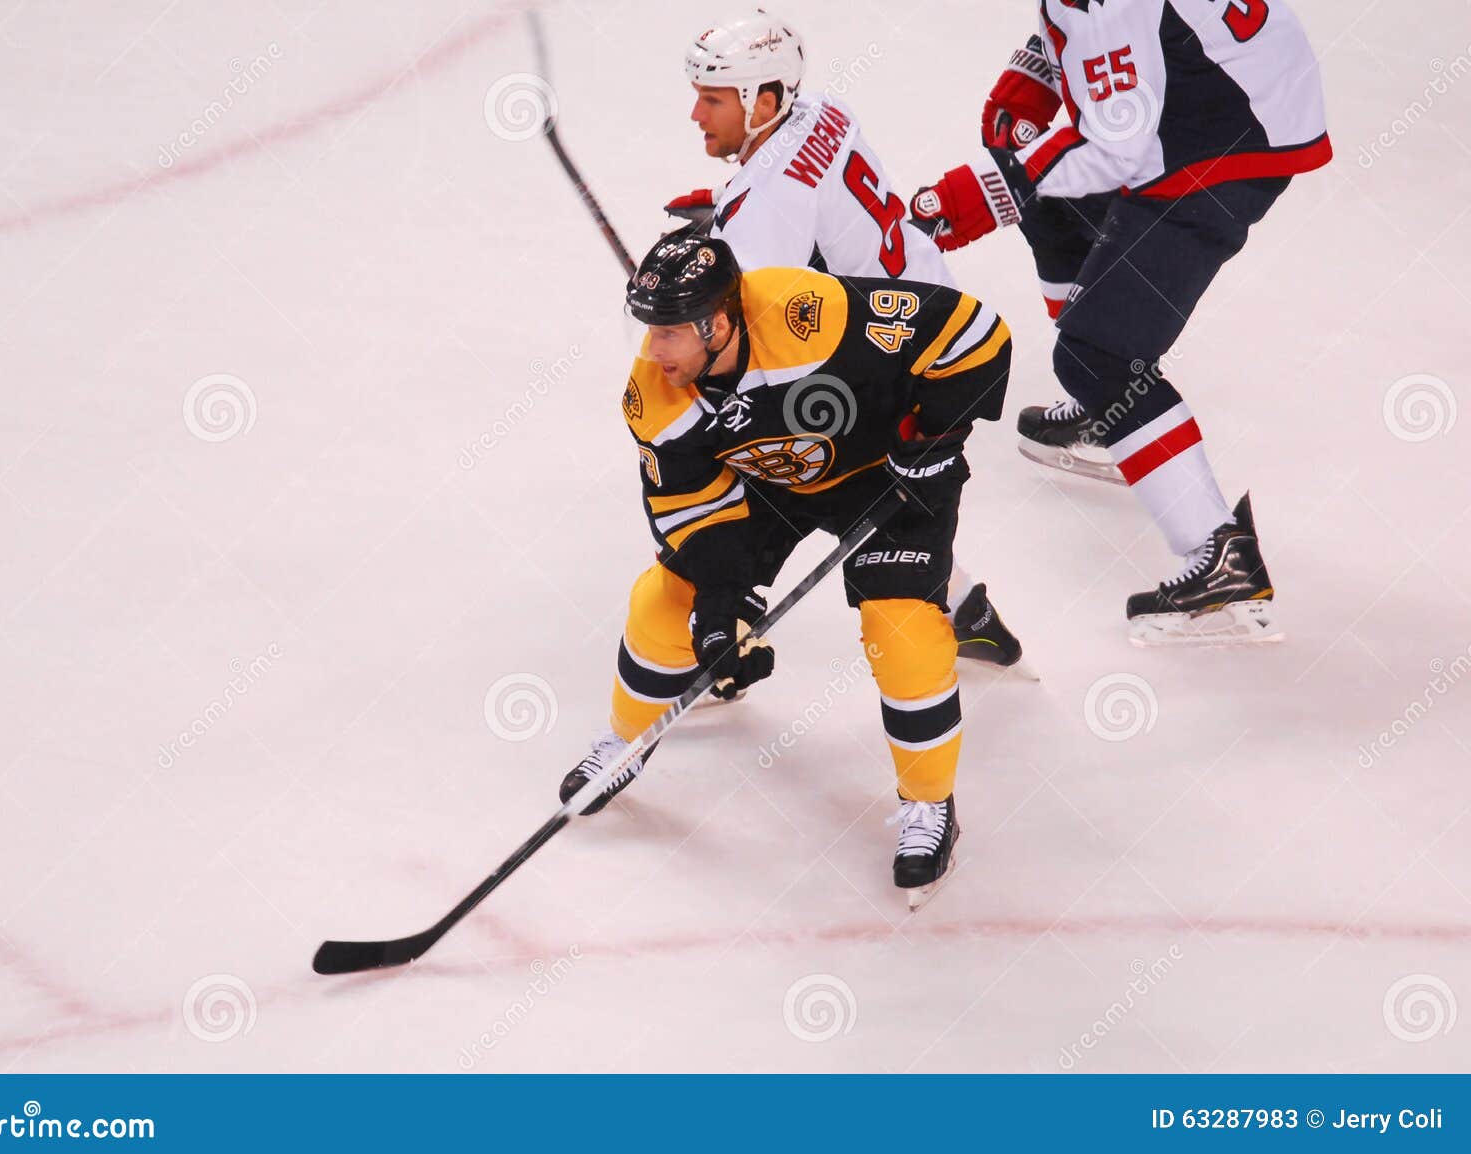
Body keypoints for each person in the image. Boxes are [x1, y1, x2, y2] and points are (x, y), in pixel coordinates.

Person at [557, 232, 1012, 903]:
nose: (653, 350)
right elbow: (695, 517)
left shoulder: (807, 316)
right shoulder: (655, 394)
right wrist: (718, 617)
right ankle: (627, 740)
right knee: (664, 604)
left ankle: (929, 805)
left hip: (890, 477)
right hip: (767, 486)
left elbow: (973, 333)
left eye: (669, 332)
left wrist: (937, 438)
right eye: (647, 329)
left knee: (903, 638)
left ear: (718, 322)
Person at [908, 0, 1330, 645]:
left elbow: (1112, 145)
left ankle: (1222, 558)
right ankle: (1111, 413)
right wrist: (1040, 71)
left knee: (1096, 355)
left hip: (1224, 143)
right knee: (1051, 203)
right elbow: (1119, 42)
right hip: (1220, 91)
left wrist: (986, 191)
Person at [665, 8, 1024, 668]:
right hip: (924, 309)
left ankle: (726, 626)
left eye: (711, 99)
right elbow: (802, 202)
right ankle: (968, 612)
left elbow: (740, 334)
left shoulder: (764, 211)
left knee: (757, 457)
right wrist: (725, 219)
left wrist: (692, 277)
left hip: (892, 363)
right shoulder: (822, 108)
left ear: (763, 99)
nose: (696, 114)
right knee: (871, 499)